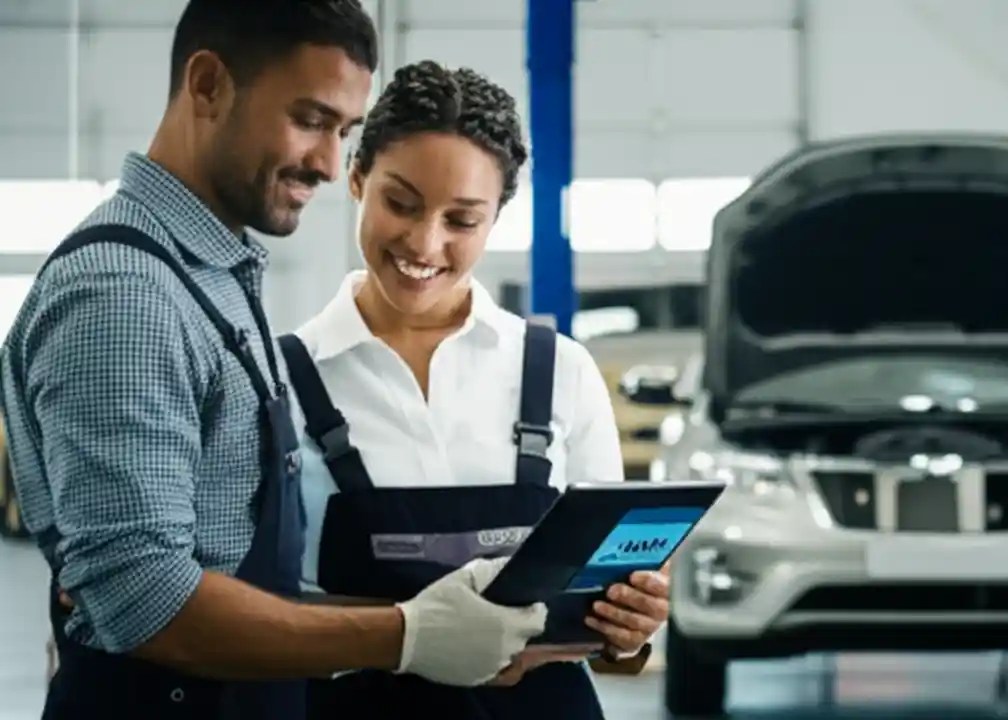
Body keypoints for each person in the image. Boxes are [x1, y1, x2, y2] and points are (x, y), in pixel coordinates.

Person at [0, 3, 551, 719]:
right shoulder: (127, 295)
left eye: (344, 132)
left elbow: (227, 564)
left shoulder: (210, 276)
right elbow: (143, 599)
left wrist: (450, 613)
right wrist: (404, 635)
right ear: (207, 86)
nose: (328, 163)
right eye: (312, 120)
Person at [277, 60, 671, 720]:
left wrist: (629, 631)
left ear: (496, 219)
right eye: (400, 203)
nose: (424, 242)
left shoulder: (562, 374)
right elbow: (256, 611)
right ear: (355, 177)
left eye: (462, 220)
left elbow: (609, 635)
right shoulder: (282, 382)